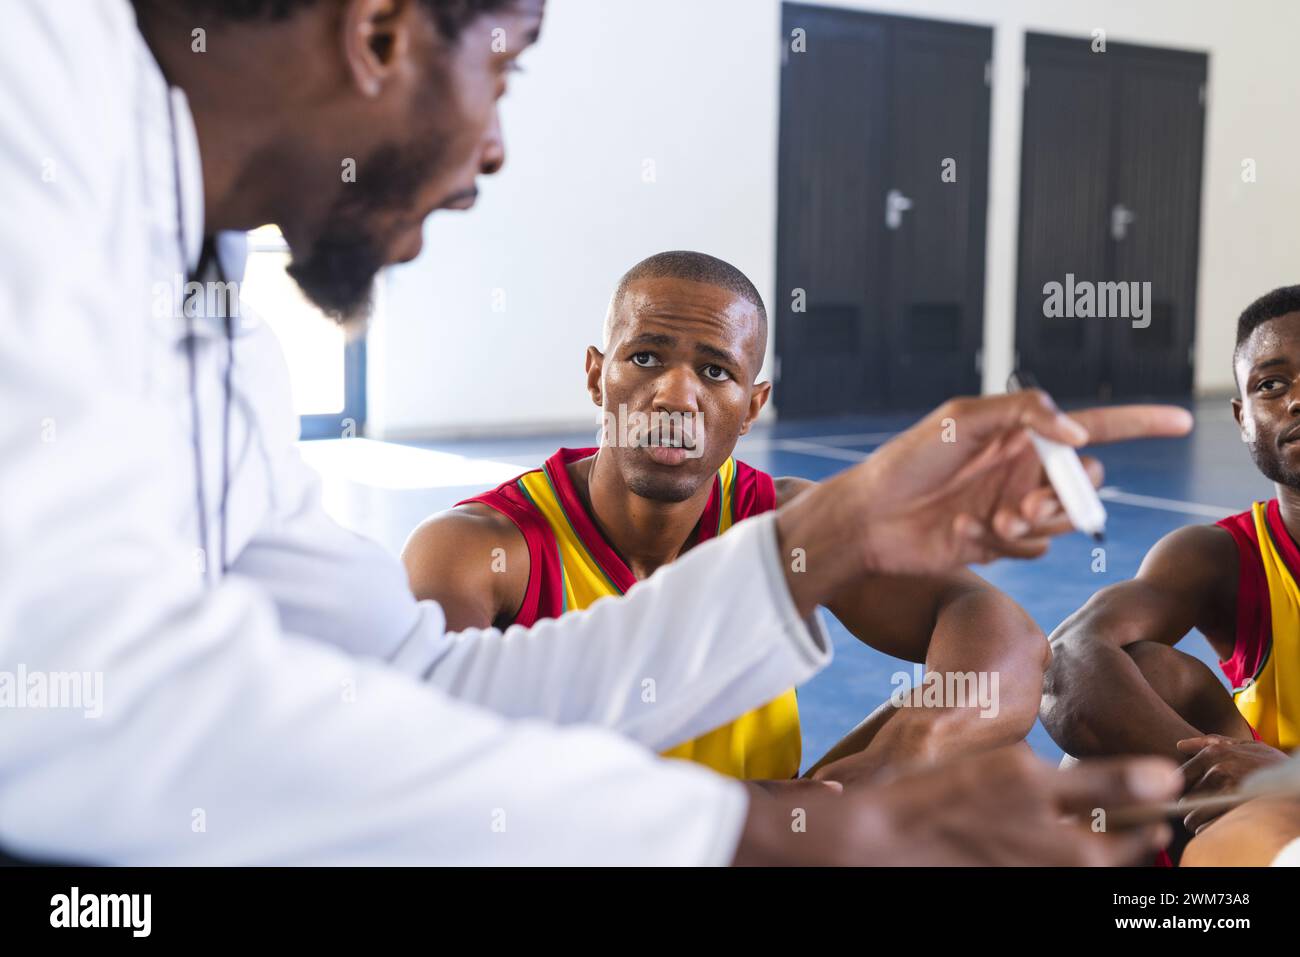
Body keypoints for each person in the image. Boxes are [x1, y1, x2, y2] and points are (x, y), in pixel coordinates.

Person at [0, 0, 1190, 864]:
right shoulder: (34, 123)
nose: (498, 148)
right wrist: (758, 835)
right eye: (506, 67)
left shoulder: (201, 295)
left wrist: (830, 532)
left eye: (716, 368)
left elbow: (413, 686)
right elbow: (85, 706)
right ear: (378, 34)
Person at [404, 250, 1048, 784]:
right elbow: (430, 772)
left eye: (714, 371)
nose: (676, 395)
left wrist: (880, 772)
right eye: (646, 358)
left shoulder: (783, 522)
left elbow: (1007, 638)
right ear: (597, 377)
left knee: (994, 762)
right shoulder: (476, 550)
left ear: (751, 407)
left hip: (759, 846)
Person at [1041, 286, 1300, 863]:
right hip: (1259, 835)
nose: (1295, 400)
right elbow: (1065, 665)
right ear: (1243, 418)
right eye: (1271, 384)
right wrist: (1250, 789)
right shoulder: (1219, 556)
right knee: (1142, 675)